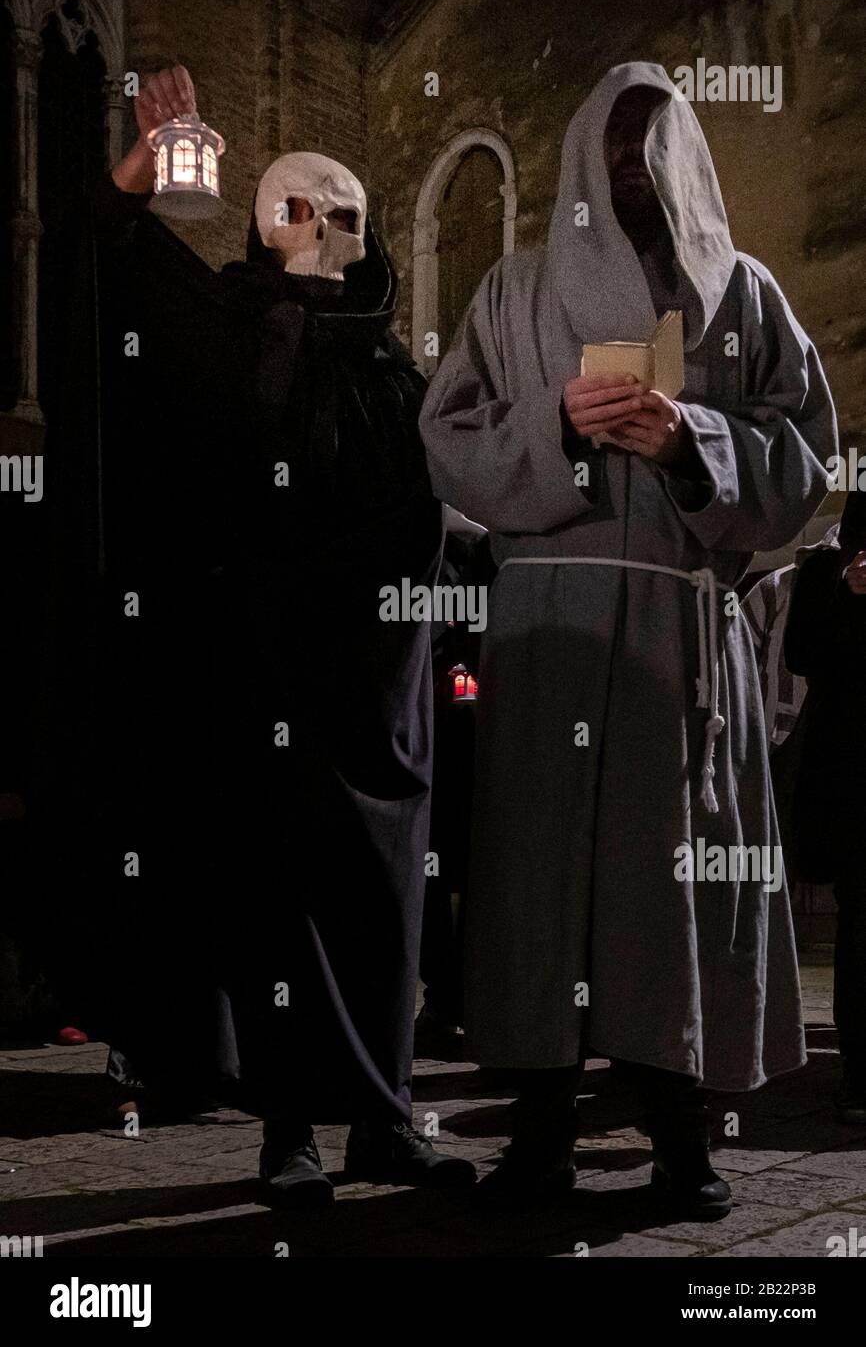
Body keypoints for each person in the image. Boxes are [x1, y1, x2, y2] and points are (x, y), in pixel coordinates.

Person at [419, 61, 837, 1216]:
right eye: (611, 143)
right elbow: (447, 437)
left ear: (680, 156)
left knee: (673, 892)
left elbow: (804, 454)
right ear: (580, 153)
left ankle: (680, 1143)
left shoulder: (744, 295)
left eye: (649, 144)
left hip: (675, 634)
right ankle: (538, 1138)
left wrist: (692, 438)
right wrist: (553, 423)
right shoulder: (511, 290)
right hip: (549, 632)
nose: (628, 168)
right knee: (540, 887)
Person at [55, 64, 474, 1205]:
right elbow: (100, 264)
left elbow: (430, 512)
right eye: (299, 210)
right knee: (278, 903)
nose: (326, 234)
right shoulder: (223, 331)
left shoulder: (393, 370)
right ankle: (288, 1130)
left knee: (384, 906)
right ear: (259, 222)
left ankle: (383, 1119)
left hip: (377, 685)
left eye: (346, 216)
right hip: (265, 674)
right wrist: (141, 170)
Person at [784, 491, 866, 1123]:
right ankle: (859, 1072)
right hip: (852, 769)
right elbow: (803, 656)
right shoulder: (824, 569)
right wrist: (847, 596)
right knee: (860, 916)